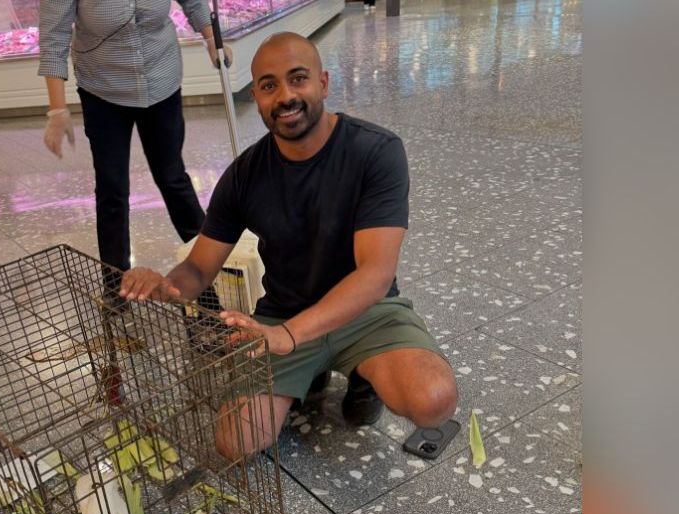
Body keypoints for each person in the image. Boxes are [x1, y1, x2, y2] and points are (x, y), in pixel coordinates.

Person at [118, 32, 458, 462]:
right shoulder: (244, 175)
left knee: (433, 400)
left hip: (365, 312)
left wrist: (289, 337)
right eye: (268, 85)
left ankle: (360, 374)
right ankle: (307, 374)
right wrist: (163, 285)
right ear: (257, 98)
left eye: (298, 79)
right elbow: (199, 270)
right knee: (236, 442)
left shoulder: (376, 151)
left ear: (324, 83)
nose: (285, 96)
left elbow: (375, 275)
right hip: (283, 313)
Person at [38, 0, 232, 278]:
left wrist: (211, 38)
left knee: (173, 178)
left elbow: (192, 1)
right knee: (112, 188)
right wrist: (57, 109)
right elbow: (53, 36)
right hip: (102, 88)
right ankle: (115, 284)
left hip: (161, 78)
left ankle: (208, 274)